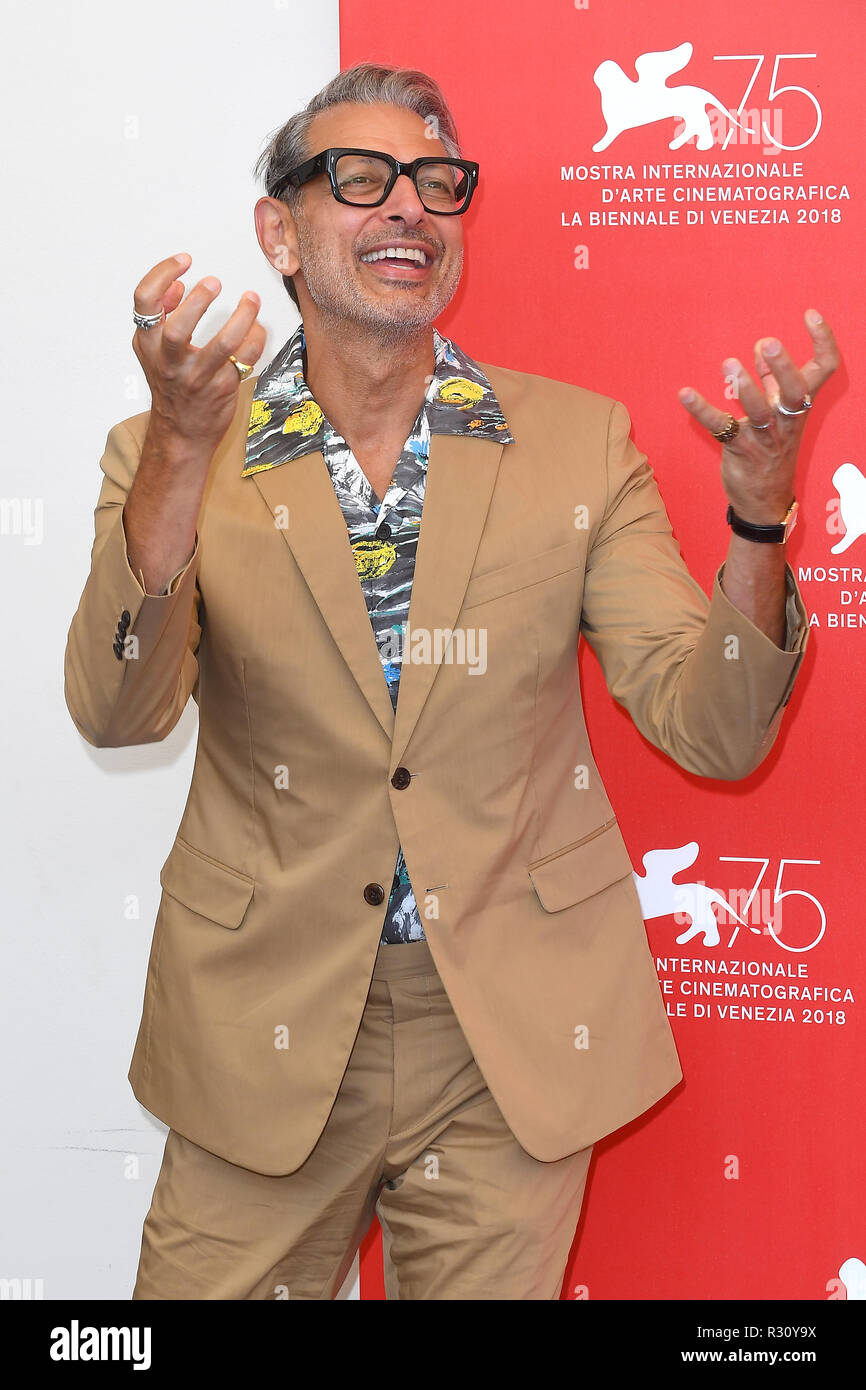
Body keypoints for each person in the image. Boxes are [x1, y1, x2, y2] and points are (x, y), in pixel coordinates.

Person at [63, 62, 837, 1300]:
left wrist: (755, 527)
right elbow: (116, 709)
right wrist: (176, 452)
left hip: (505, 1043)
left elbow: (715, 734)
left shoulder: (577, 444)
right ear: (279, 230)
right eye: (357, 179)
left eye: (435, 184)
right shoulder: (169, 456)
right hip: (261, 1024)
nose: (407, 210)